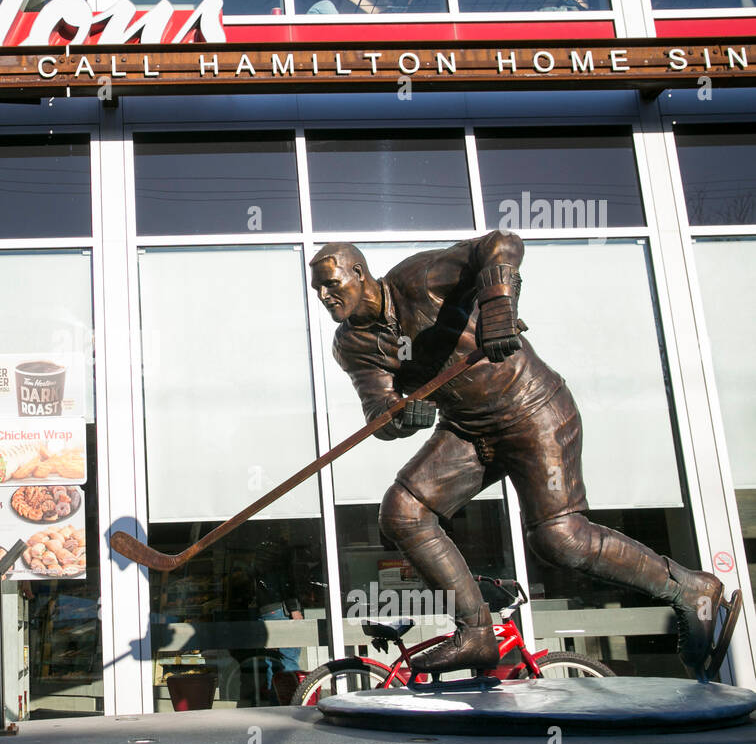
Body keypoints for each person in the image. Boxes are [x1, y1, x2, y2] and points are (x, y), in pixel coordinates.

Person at [309, 231, 725, 678]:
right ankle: (476, 634)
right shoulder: (352, 344)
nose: (325, 295)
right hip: (468, 432)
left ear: (359, 273)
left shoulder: (422, 277)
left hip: (532, 411)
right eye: (317, 289)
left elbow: (500, 243)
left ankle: (691, 588)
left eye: (332, 283)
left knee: (558, 538)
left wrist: (499, 305)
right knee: (404, 512)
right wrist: (398, 418)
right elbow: (379, 408)